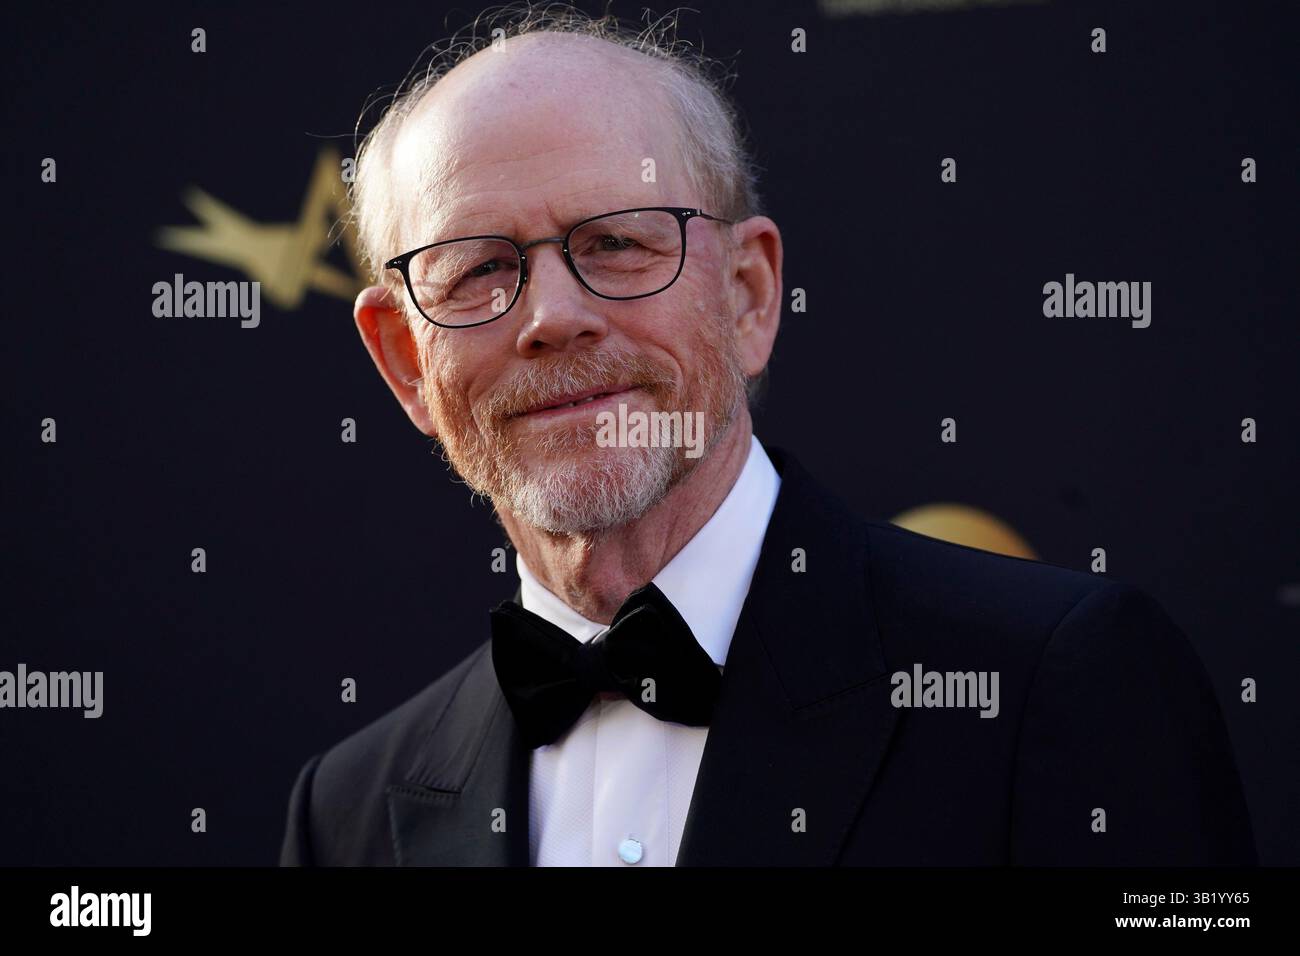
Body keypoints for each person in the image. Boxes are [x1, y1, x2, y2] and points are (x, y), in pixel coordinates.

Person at [279, 5, 1255, 866]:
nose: (553, 315)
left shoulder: (1054, 680)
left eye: (618, 241)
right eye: (479, 268)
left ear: (747, 294)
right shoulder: (348, 810)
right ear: (406, 359)